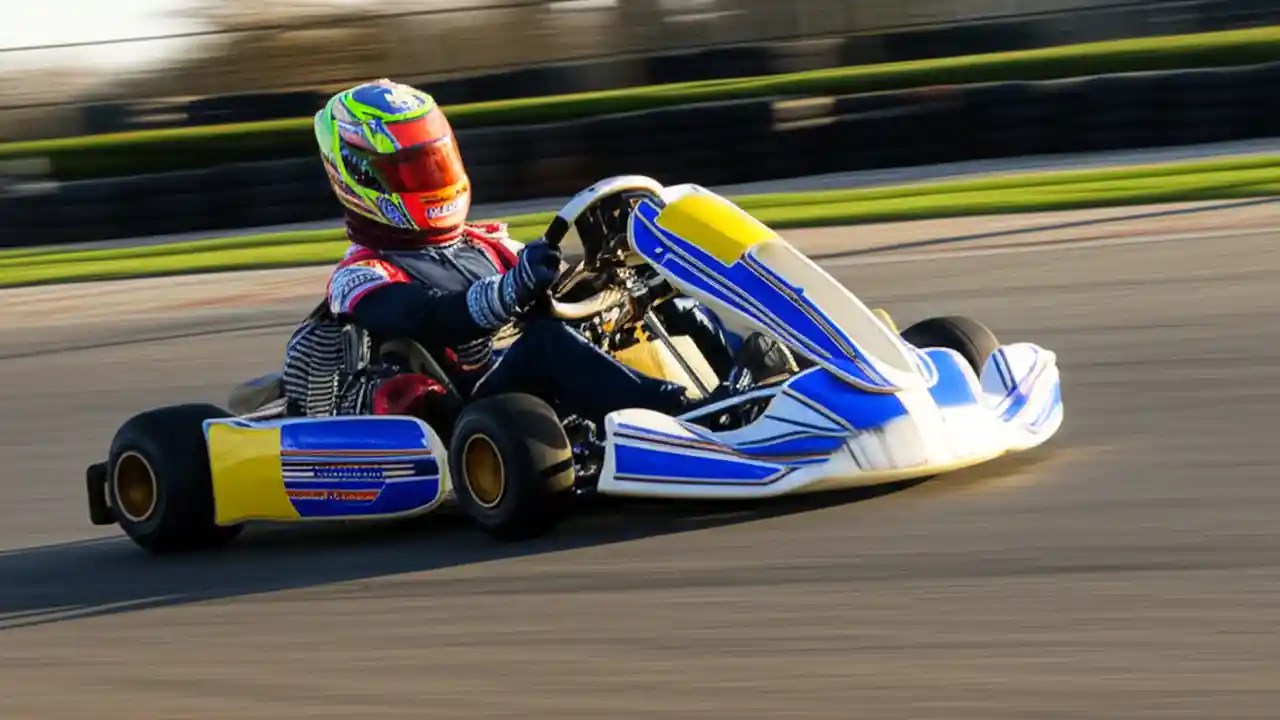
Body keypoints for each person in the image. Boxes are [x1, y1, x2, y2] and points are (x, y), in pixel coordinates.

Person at [282, 79, 771, 424]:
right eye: (411, 171)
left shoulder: (486, 243)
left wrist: (617, 270)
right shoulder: (362, 275)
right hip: (475, 405)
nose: (432, 180)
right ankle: (682, 414)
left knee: (670, 304)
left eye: (436, 162)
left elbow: (558, 288)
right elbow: (432, 317)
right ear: (360, 177)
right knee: (546, 343)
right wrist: (510, 290)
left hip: (532, 385)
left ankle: (755, 387)